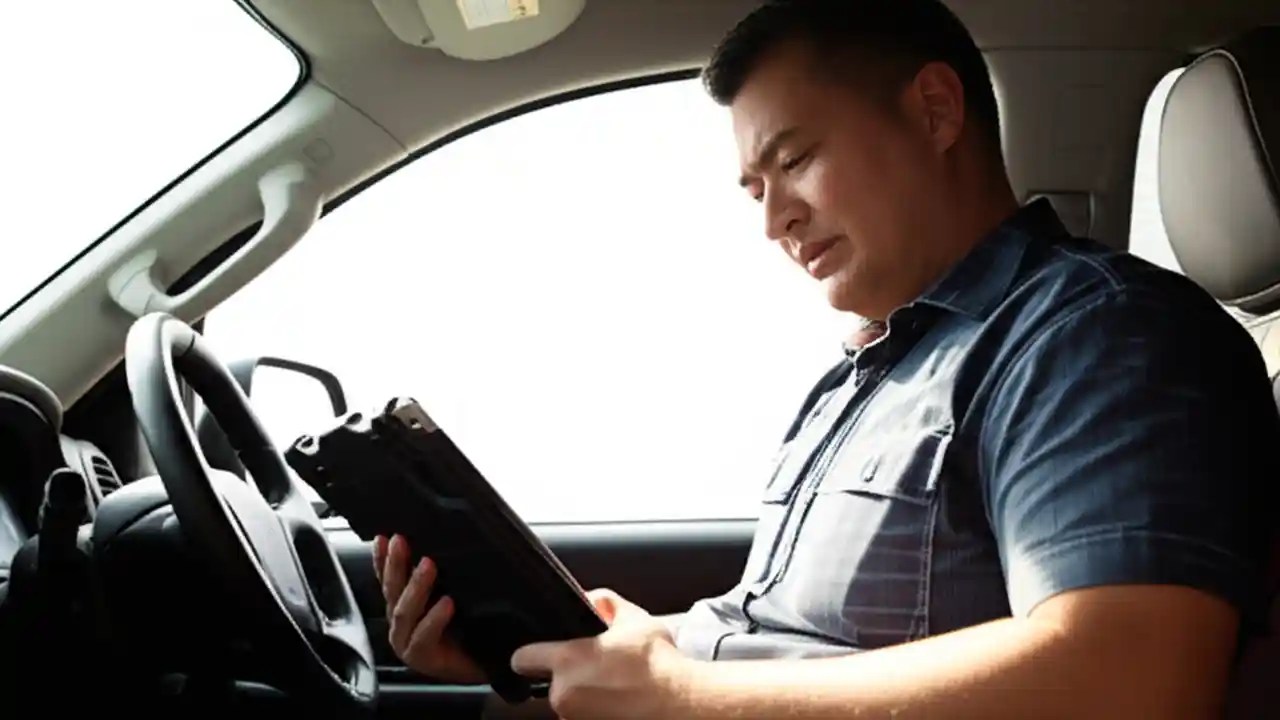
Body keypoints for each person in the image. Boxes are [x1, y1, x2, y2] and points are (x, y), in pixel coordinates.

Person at [374, 0, 1280, 717]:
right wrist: (583, 649)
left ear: (935, 110)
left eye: (796, 160)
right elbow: (784, 639)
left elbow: (1129, 679)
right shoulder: (869, 375)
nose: (774, 221)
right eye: (756, 189)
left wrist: (689, 700)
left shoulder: (1096, 336)